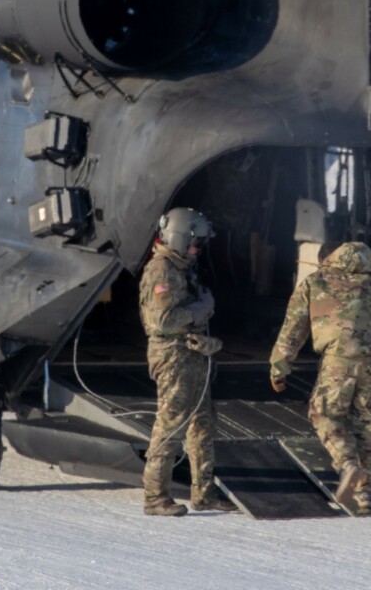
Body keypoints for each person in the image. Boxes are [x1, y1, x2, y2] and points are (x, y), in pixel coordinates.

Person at [268, 241, 371, 514]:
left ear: (325, 259)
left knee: (324, 414)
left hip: (337, 363)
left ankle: (347, 462)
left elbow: (293, 329)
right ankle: (365, 493)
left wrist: (279, 368)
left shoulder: (314, 282)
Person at [138, 207, 230, 516]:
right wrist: (199, 311)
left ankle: (203, 493)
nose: (197, 249)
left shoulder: (181, 268)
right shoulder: (162, 271)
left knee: (202, 425)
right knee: (170, 424)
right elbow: (163, 321)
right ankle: (154, 497)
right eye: (195, 243)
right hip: (174, 356)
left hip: (192, 354)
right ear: (180, 238)